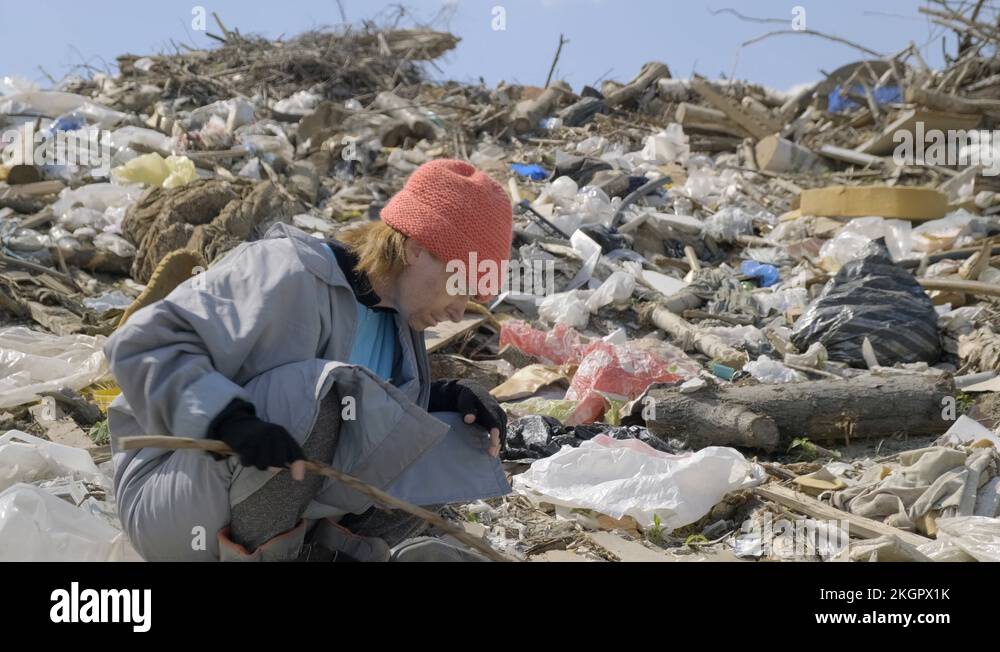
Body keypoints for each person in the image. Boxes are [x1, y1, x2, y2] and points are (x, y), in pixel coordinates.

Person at [104, 159, 514, 561]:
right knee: (325, 392)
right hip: (170, 493)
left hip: (289, 511)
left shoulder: (401, 327)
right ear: (415, 248)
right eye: (461, 286)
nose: (461, 312)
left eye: (476, 297)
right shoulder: (287, 270)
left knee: (440, 433)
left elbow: (366, 427)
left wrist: (447, 397)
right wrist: (228, 419)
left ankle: (331, 555)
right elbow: (138, 344)